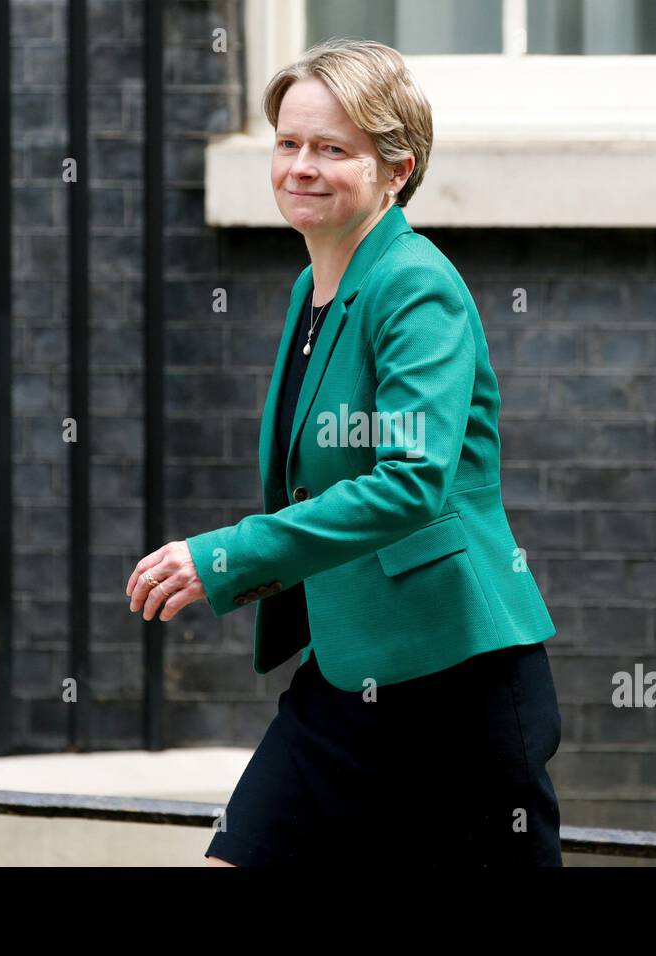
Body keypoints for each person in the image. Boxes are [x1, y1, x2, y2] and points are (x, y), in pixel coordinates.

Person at [124, 37, 562, 867]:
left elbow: (411, 483)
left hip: (452, 683)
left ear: (396, 169)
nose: (301, 166)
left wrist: (225, 557)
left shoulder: (415, 284)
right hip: (347, 675)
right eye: (289, 143)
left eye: (333, 149)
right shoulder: (315, 286)